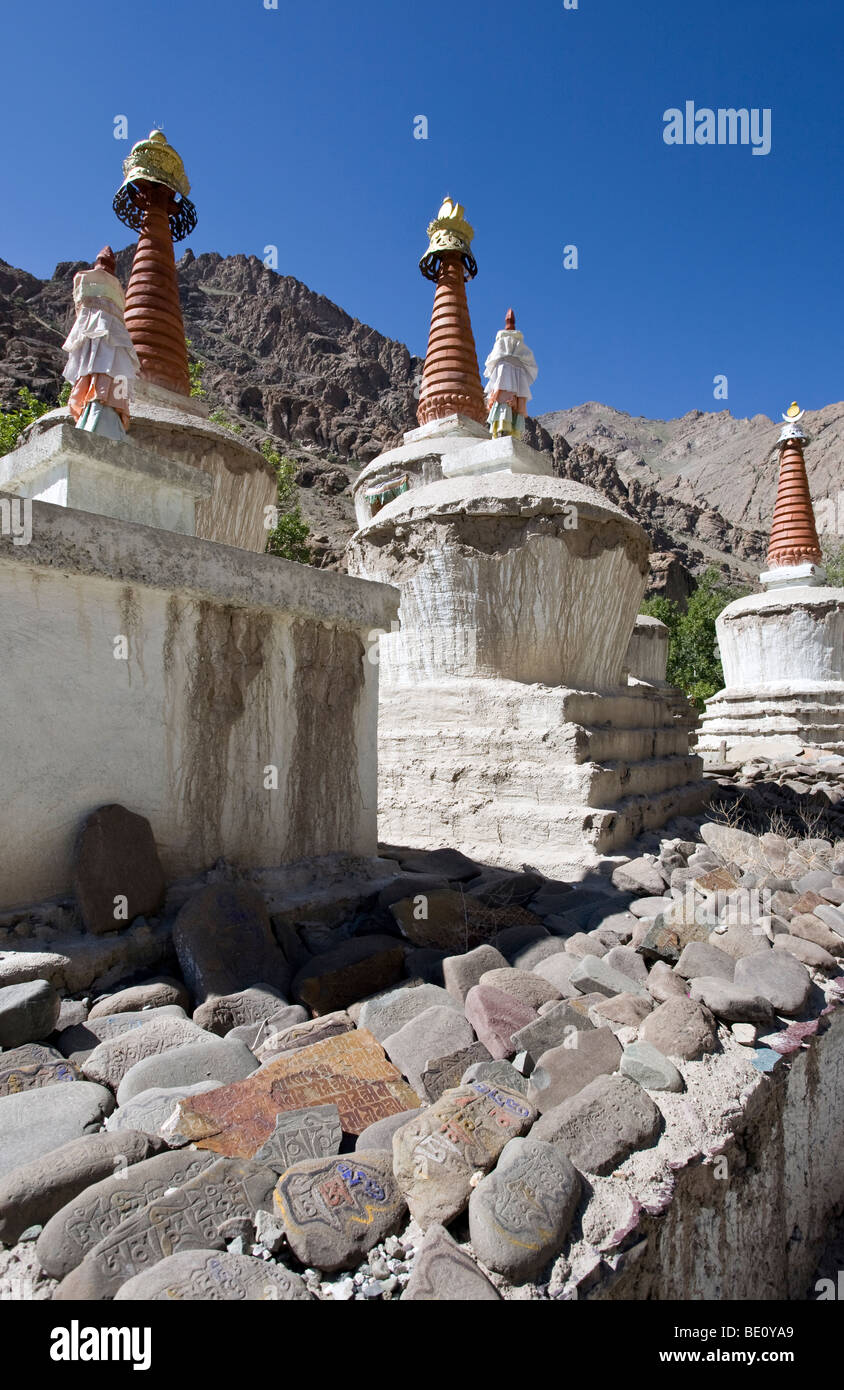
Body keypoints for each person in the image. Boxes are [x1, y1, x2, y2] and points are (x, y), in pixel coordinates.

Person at [62, 246, 138, 439]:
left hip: (105, 336)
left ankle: (101, 405)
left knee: (106, 370)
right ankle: (100, 405)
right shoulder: (91, 281)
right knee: (104, 368)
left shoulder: (87, 282)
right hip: (106, 337)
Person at [483, 308, 538, 439]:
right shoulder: (521, 354)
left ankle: (504, 430)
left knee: (504, 404)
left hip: (504, 388)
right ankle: (506, 430)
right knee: (506, 405)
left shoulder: (501, 355)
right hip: (510, 389)